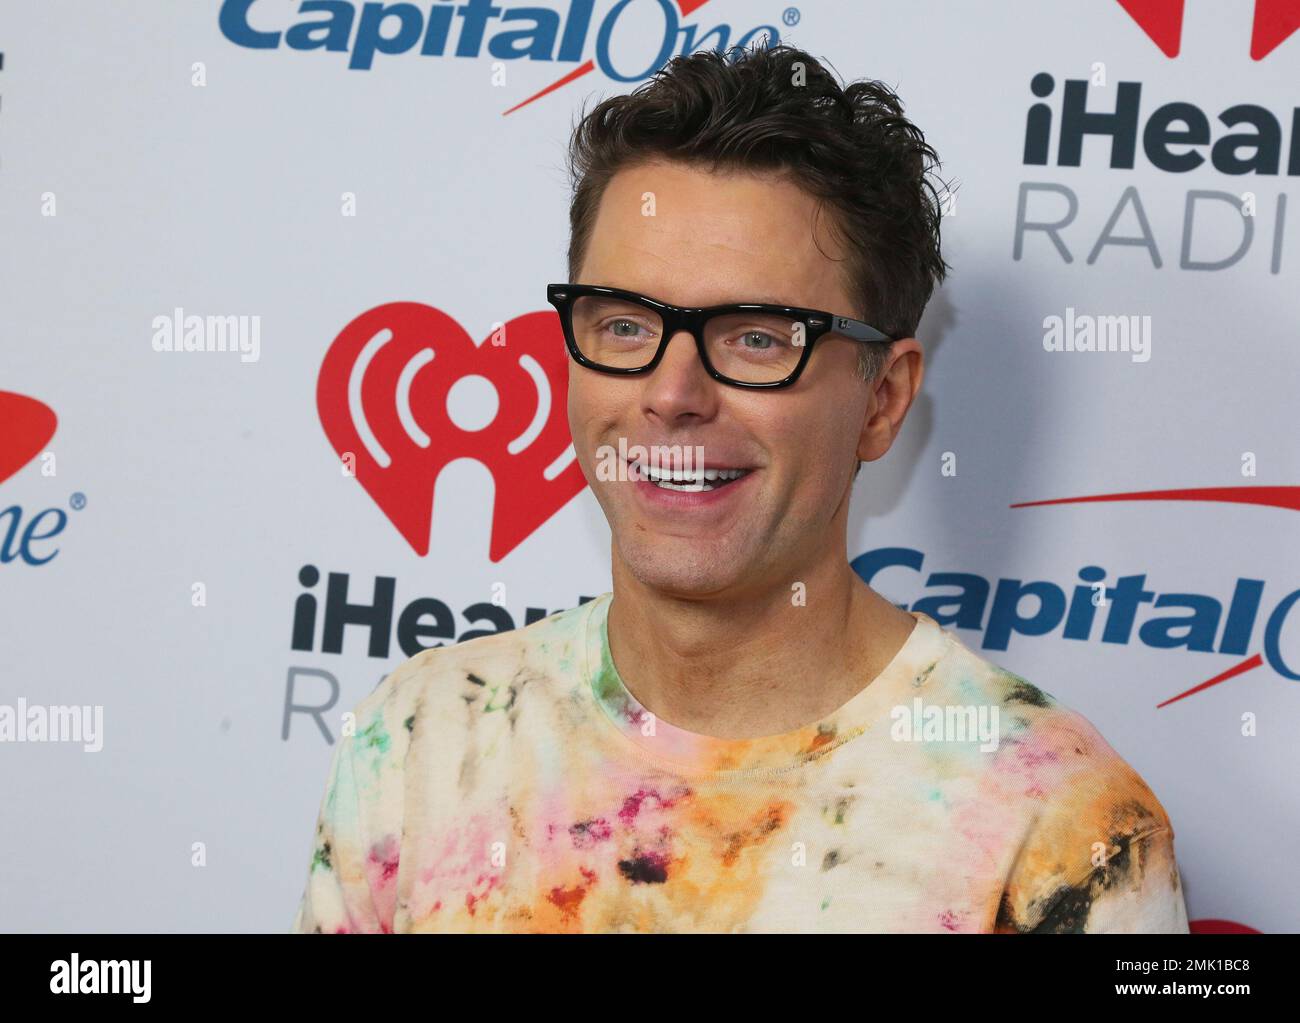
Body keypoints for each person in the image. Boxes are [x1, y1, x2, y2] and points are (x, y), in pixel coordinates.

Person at [291, 43, 1189, 933]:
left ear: (883, 399)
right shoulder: (418, 739)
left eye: (757, 336)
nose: (673, 394)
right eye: (625, 323)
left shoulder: (1061, 830)